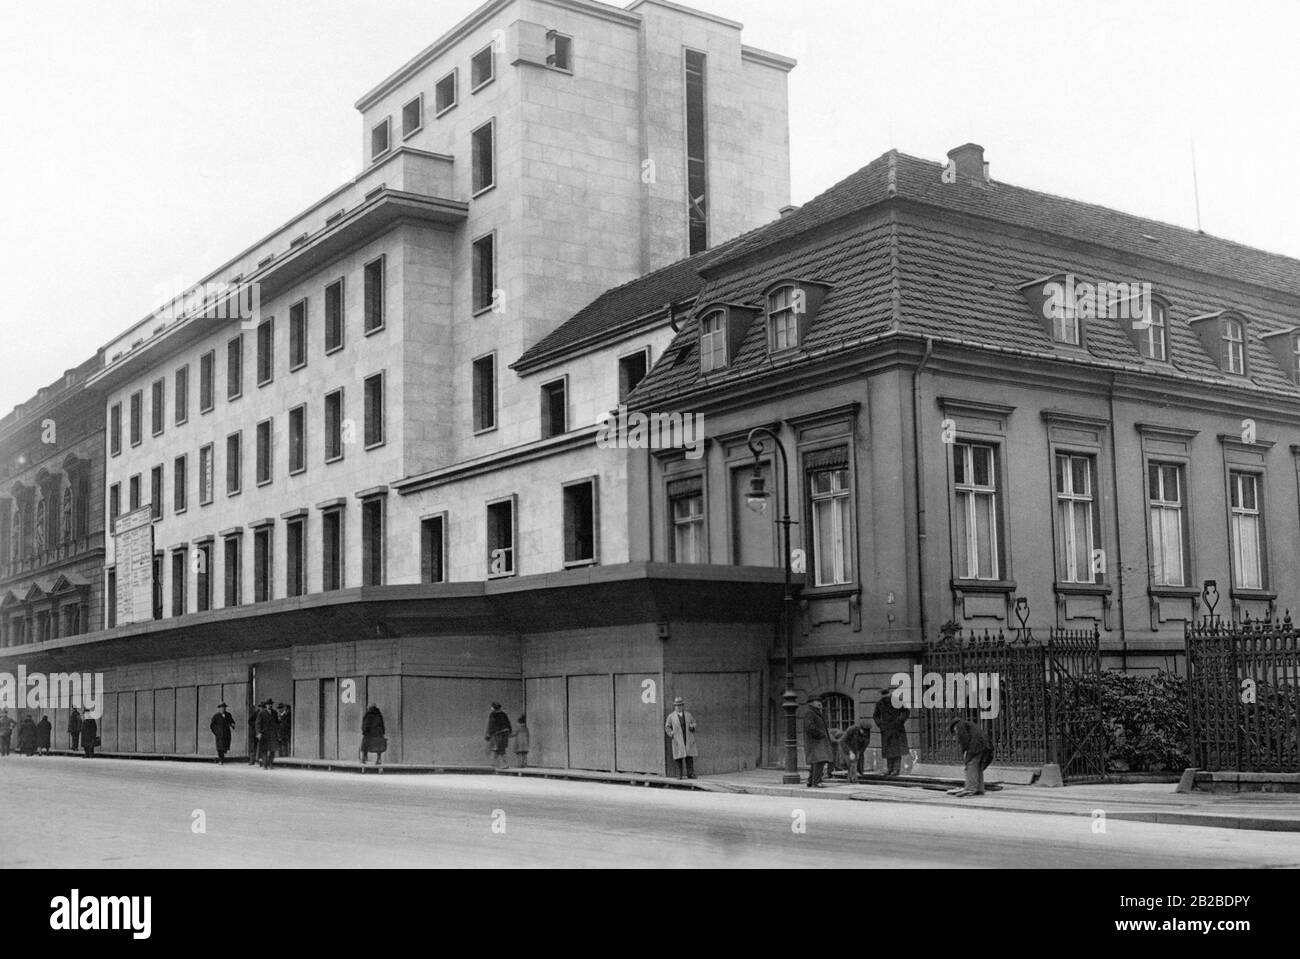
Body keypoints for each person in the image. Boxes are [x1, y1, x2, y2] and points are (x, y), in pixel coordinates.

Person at [948, 719, 994, 797]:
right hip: (985, 746)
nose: (956, 734)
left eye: (955, 732)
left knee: (970, 765)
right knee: (978, 767)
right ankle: (979, 789)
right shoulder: (968, 724)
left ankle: (970, 789)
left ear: (954, 728)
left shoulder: (959, 725)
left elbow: (964, 738)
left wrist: (965, 751)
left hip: (976, 747)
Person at [873, 685, 911, 777]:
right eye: (883, 695)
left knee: (897, 750)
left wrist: (899, 721)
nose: (884, 697)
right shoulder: (879, 703)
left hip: (897, 730)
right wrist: (881, 724)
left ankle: (896, 770)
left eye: (885, 694)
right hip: (886, 730)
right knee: (888, 751)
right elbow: (875, 716)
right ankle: (890, 769)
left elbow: (906, 712)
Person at [663, 697, 698, 779]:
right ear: (674, 706)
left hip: (688, 738)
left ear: (683, 706)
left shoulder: (688, 715)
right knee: (678, 758)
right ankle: (679, 775)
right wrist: (672, 734)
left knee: (689, 757)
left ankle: (691, 774)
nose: (678, 707)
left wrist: (692, 726)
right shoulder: (671, 716)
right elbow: (667, 727)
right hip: (678, 739)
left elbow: (694, 722)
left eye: (680, 705)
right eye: (677, 705)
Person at [803, 699, 833, 788]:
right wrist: (821, 734)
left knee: (816, 761)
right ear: (811, 703)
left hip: (818, 741)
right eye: (817, 701)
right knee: (819, 760)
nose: (820, 703)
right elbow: (809, 727)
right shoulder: (810, 713)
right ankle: (816, 782)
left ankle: (811, 781)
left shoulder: (816, 713)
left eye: (820, 701)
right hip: (815, 742)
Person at [838, 716, 873, 783]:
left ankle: (851, 779)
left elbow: (865, 744)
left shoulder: (867, 733)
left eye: (866, 731)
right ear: (860, 728)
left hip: (856, 749)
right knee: (852, 762)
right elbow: (842, 741)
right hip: (846, 747)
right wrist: (850, 752)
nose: (864, 733)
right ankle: (854, 780)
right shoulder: (851, 730)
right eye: (863, 731)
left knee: (856, 763)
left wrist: (859, 752)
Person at [485, 702, 512, 769]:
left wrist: (488, 734)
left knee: (500, 749)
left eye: (492, 707)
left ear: (494, 707)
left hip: (498, 734)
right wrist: (510, 731)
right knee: (497, 749)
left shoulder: (493, 714)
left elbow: (491, 724)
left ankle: (505, 764)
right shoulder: (504, 714)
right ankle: (494, 764)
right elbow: (508, 723)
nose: (491, 708)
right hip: (505, 733)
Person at [255, 699, 279, 769]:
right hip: (264, 734)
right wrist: (258, 733)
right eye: (268, 704)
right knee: (264, 750)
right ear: (266, 705)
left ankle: (270, 764)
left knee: (272, 749)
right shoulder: (262, 713)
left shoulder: (274, 713)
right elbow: (258, 724)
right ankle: (265, 765)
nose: (270, 705)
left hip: (273, 734)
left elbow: (277, 723)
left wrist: (277, 731)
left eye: (271, 704)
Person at [361, 705, 386, 770]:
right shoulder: (379, 716)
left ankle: (364, 758)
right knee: (379, 745)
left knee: (364, 743)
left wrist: (365, 732)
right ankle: (379, 759)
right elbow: (382, 728)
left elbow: (364, 726)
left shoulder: (367, 716)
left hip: (369, 736)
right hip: (378, 736)